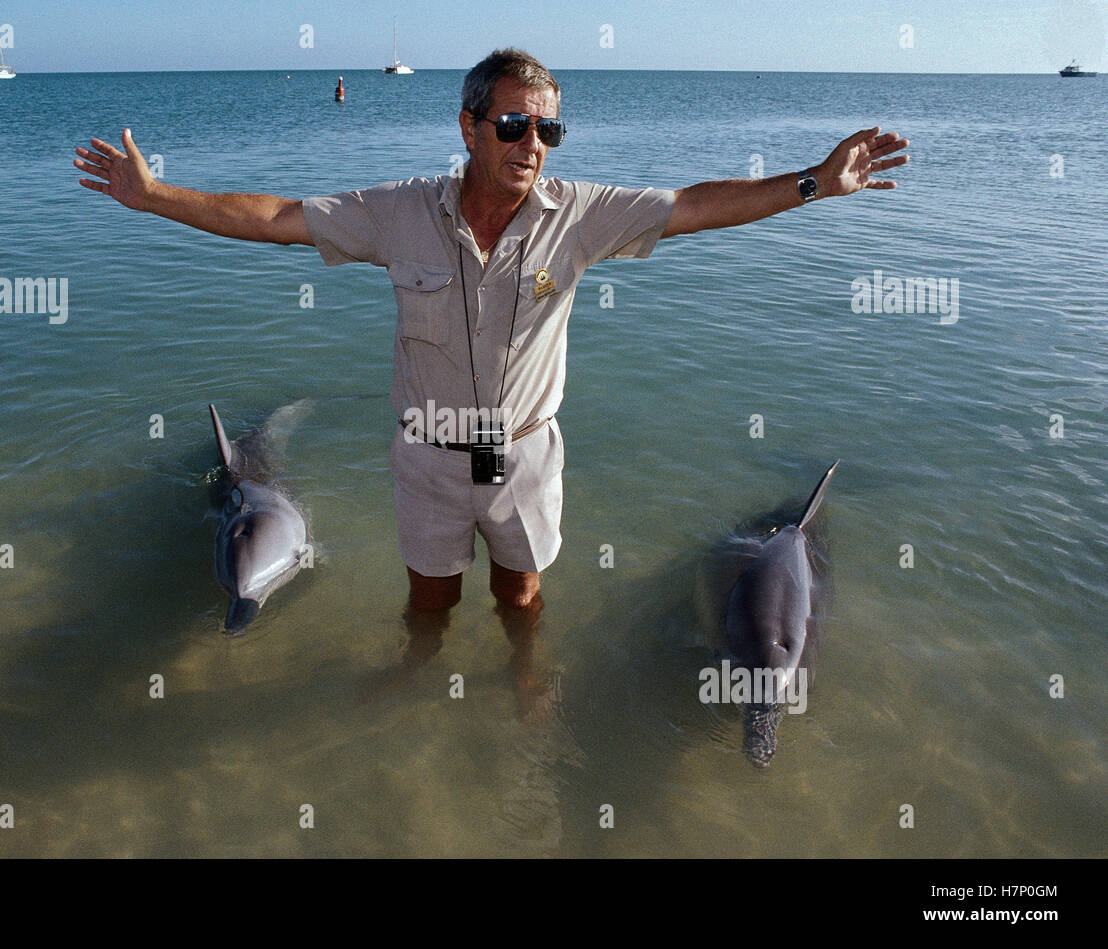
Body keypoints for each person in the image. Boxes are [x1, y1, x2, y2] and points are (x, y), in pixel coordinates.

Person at [73, 48, 908, 633]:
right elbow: (279, 218)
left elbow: (695, 205)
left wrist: (813, 182)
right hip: (429, 455)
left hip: (524, 454)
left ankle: (524, 679)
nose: (533, 146)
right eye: (514, 125)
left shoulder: (582, 214)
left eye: (549, 131)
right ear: (469, 126)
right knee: (429, 599)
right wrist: (157, 197)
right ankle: (422, 674)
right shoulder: (397, 211)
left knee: (521, 594)